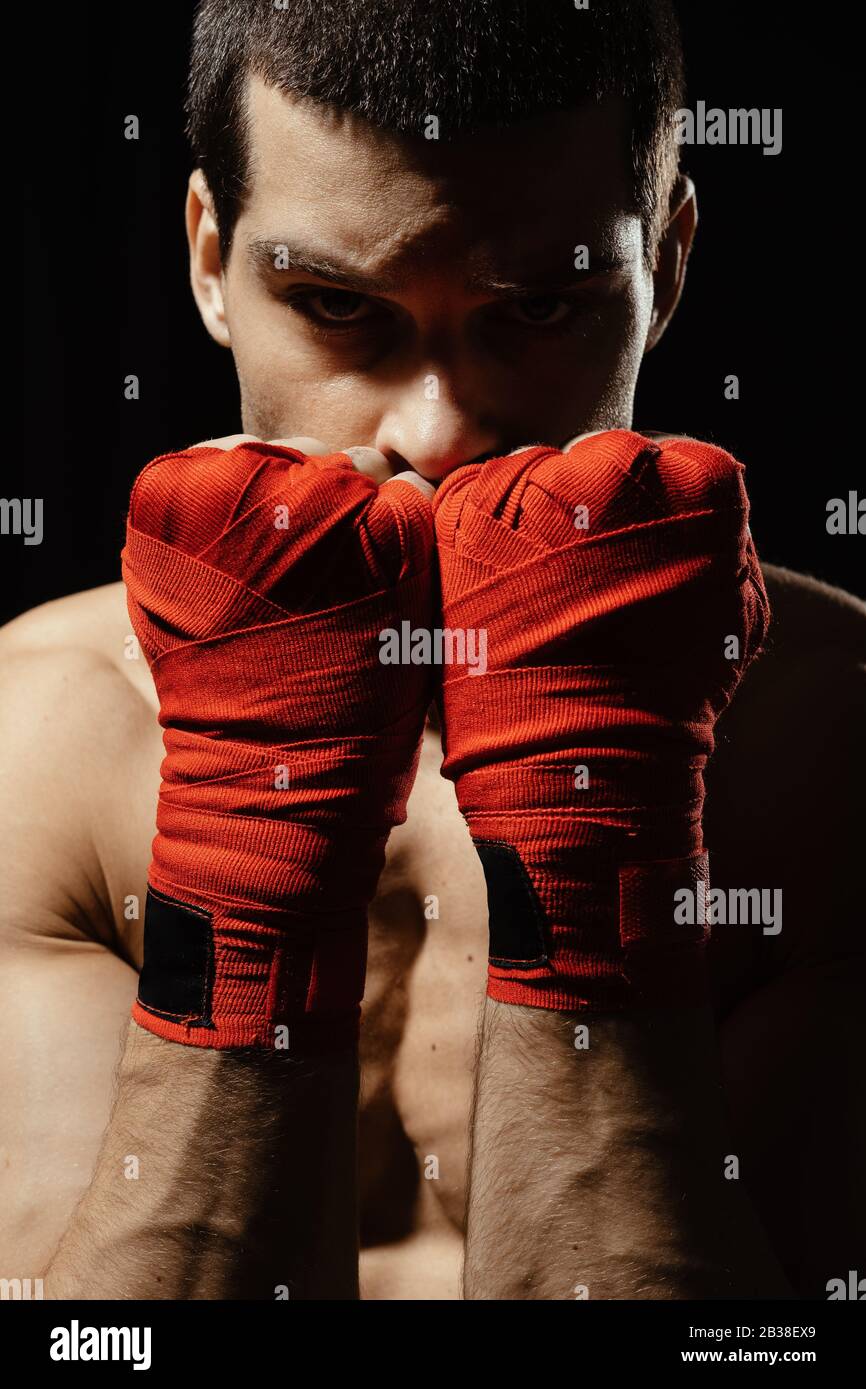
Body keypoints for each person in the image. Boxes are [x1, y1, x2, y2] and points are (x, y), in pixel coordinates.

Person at [1, 0, 862, 1301]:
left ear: (667, 266)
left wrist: (602, 826)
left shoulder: (829, 742)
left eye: (540, 309)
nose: (436, 428)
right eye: (336, 305)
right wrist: (242, 834)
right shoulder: (37, 742)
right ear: (205, 261)